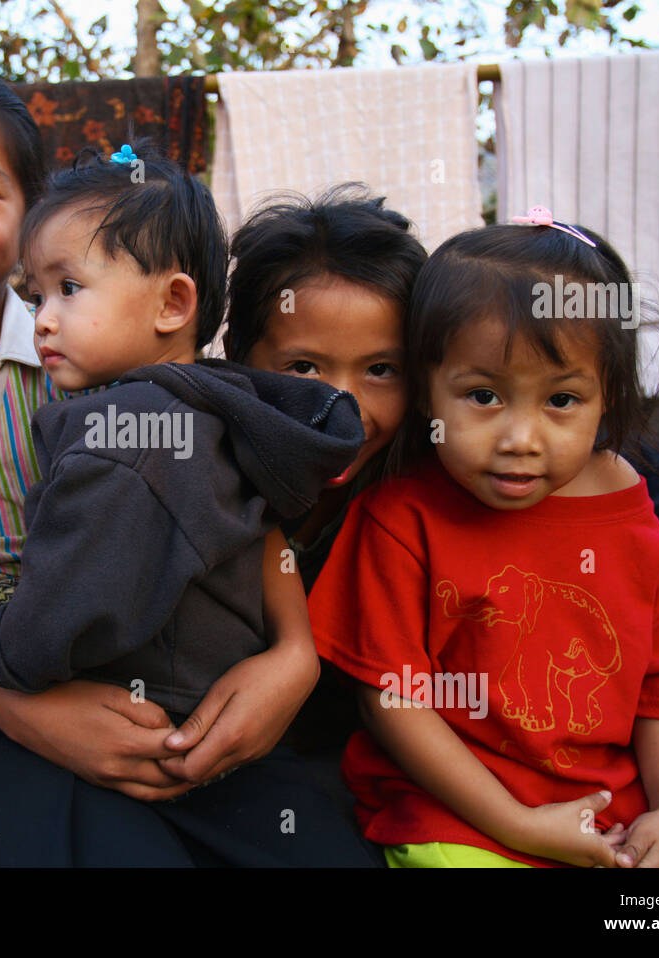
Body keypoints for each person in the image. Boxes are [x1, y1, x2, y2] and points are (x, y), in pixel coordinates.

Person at [0, 70, 336, 854]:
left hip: (126, 667)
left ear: (32, 211)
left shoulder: (90, 344)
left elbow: (235, 498)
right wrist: (23, 709)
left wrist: (294, 654)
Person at [0, 141, 381, 866]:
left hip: (141, 718)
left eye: (69, 289)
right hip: (222, 727)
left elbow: (72, 603)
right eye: (35, 296)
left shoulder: (126, 434)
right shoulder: (226, 408)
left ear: (173, 303)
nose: (41, 319)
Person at [308, 210, 659, 868]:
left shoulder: (629, 516)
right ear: (426, 391)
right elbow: (393, 700)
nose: (520, 439)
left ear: (606, 396)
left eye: (561, 401)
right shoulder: (404, 519)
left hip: (615, 820)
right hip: (460, 820)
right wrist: (519, 825)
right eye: (483, 395)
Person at [224, 186, 427, 758]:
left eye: (382, 369)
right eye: (304, 367)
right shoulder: (206, 479)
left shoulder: (427, 498)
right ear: (239, 355)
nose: (342, 410)